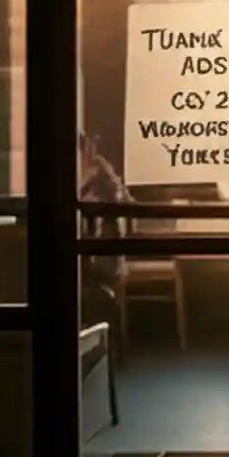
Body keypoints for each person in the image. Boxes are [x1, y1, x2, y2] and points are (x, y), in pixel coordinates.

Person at [79, 132, 130, 364]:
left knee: (96, 291)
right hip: (103, 257)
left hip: (103, 259)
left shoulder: (99, 175)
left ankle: (103, 349)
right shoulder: (99, 175)